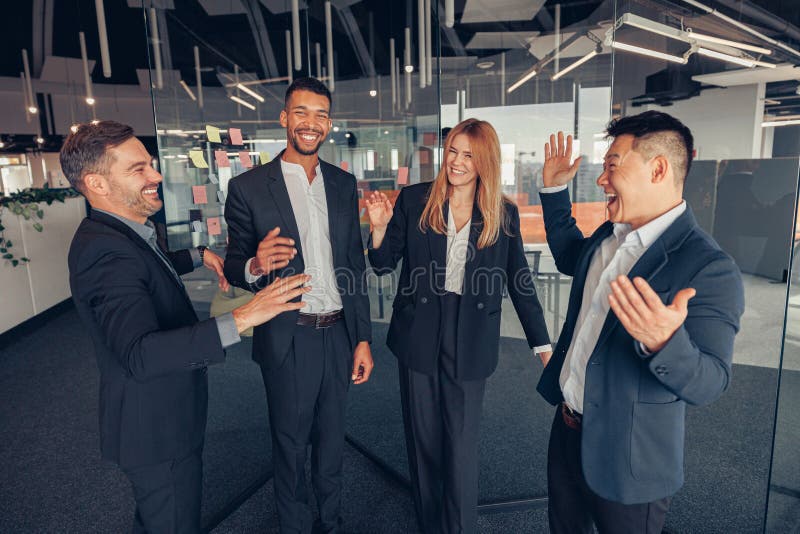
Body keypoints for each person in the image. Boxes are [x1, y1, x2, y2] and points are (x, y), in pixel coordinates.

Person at [64, 121, 310, 533]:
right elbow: (141, 355)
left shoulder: (118, 233)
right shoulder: (105, 253)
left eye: (152, 164)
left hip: (158, 420)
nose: (156, 175)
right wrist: (245, 316)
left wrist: (196, 255)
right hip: (155, 432)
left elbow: (144, 271)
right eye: (138, 169)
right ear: (96, 183)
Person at [537, 112, 745, 533]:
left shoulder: (709, 267)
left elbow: (711, 382)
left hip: (629, 459)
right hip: (567, 430)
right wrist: (554, 189)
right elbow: (568, 257)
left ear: (658, 169)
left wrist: (665, 342)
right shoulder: (608, 237)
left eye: (613, 165)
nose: (601, 179)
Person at [366, 118, 552, 534]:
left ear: (485, 160)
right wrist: (378, 230)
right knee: (424, 443)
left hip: (470, 337)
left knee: (461, 448)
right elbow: (381, 266)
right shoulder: (415, 199)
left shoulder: (502, 212)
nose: (457, 161)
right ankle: (430, 525)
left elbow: (519, 279)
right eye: (453, 150)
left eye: (468, 154)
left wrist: (542, 343)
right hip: (418, 334)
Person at [223, 77, 373, 534]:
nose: (312, 123)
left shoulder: (344, 184)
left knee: (331, 444)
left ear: (329, 123)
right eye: (302, 113)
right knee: (289, 446)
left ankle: (331, 523)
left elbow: (353, 265)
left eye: (321, 115)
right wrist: (253, 263)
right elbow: (233, 266)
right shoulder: (248, 186)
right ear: (285, 118)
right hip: (289, 336)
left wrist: (363, 337)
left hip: (339, 333)